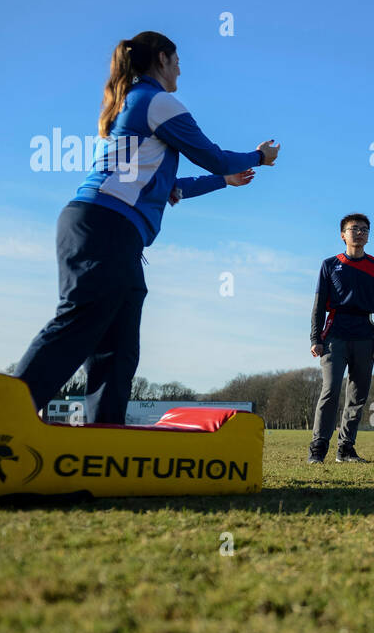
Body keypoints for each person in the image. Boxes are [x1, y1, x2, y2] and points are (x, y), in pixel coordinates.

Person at [15, 31, 278, 424]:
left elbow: (175, 188)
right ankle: (4, 409)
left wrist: (225, 181)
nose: (180, 70)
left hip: (110, 229)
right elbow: (212, 155)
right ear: (161, 58)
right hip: (104, 225)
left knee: (119, 344)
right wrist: (259, 155)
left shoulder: (137, 107)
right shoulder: (157, 101)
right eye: (177, 61)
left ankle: (104, 432)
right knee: (80, 322)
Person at [308, 214, 374, 464]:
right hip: (334, 334)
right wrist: (316, 337)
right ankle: (318, 449)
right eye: (353, 229)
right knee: (330, 390)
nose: (359, 233)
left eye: (364, 229)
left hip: (365, 335)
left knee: (358, 395)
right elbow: (318, 305)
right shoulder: (329, 264)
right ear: (343, 235)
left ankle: (345, 449)